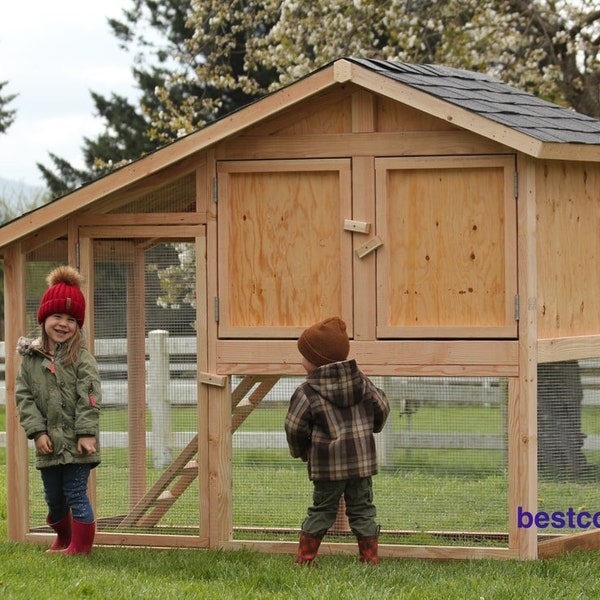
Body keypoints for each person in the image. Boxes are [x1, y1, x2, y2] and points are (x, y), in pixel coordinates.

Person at [285, 317, 390, 565]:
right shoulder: (361, 381)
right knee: (363, 509)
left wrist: (301, 450)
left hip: (328, 466)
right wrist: (372, 428)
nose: (301, 361)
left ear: (317, 360)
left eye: (305, 356)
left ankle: (306, 559)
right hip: (361, 464)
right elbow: (382, 406)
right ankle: (369, 558)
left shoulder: (307, 391)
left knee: (322, 510)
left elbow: (294, 427)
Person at [15, 265, 101, 555]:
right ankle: (64, 538)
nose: (63, 324)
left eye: (71, 319)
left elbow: (89, 396)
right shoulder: (31, 360)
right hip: (48, 443)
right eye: (56, 316)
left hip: (78, 444)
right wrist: (37, 432)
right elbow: (24, 397)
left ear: (78, 325)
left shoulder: (82, 359)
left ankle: (81, 546)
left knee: (75, 493)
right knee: (53, 499)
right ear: (43, 319)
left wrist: (87, 433)